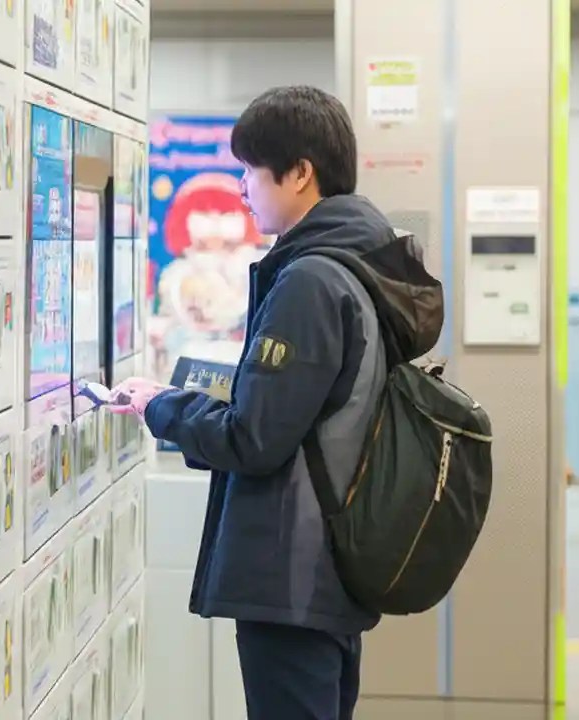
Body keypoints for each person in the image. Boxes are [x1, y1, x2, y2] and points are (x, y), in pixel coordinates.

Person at [109, 86, 438, 720]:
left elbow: (254, 436)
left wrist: (162, 406)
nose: (240, 189)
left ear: (300, 174)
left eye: (250, 170)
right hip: (330, 564)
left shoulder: (312, 279)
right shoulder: (358, 262)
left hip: (293, 572)